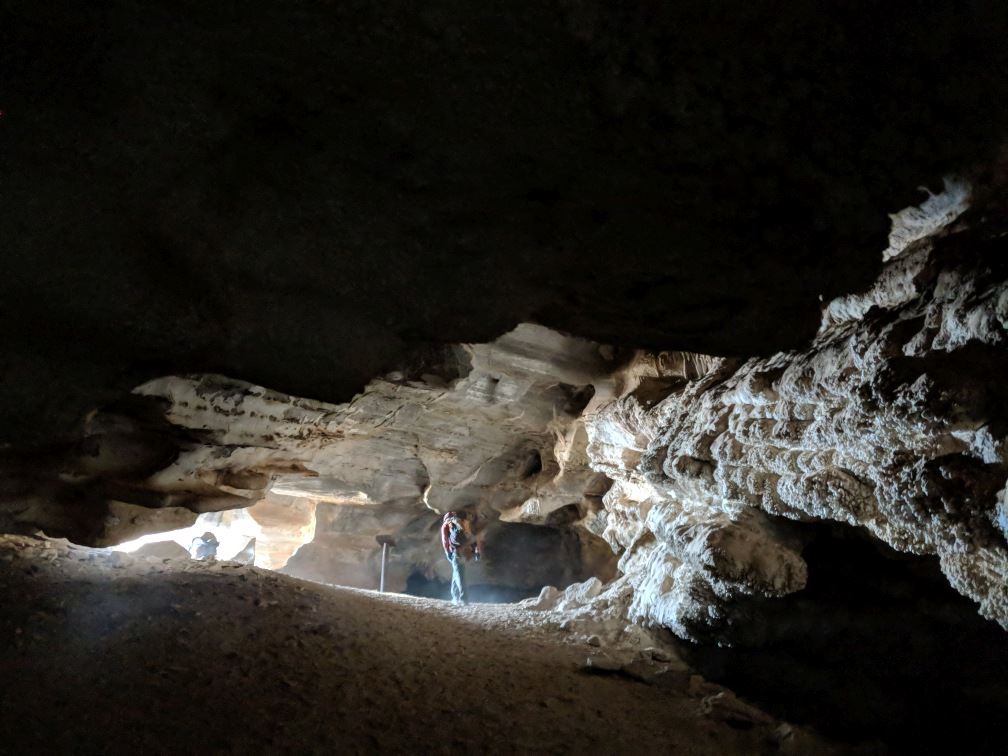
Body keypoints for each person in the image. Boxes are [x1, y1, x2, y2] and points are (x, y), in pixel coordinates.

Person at [441, 511, 479, 605]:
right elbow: (471, 537)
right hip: (464, 551)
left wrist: (448, 553)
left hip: (455, 552)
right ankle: (455, 597)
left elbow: (445, 540)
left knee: (459, 576)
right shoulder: (463, 523)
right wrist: (475, 550)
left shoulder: (446, 525)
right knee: (456, 573)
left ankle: (463, 599)